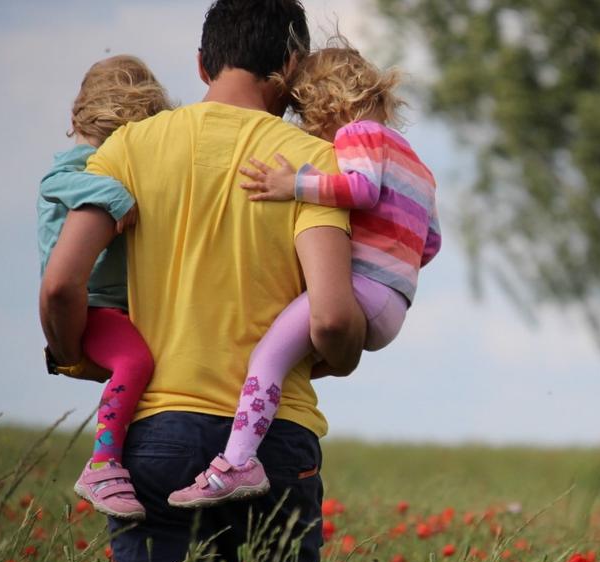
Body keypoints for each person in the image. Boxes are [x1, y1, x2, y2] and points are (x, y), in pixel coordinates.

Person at [39, 0, 365, 562]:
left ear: (200, 65)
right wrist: (339, 357)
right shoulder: (312, 163)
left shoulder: (127, 150)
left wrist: (71, 355)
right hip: (275, 440)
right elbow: (334, 317)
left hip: (157, 435)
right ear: (291, 65)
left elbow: (61, 284)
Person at [168, 42, 441, 507]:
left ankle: (237, 463)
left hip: (361, 289)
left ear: (326, 103)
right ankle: (251, 441)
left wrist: (291, 184)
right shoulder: (418, 164)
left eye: (304, 112)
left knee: (266, 359)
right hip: (395, 303)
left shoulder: (358, 135)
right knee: (290, 360)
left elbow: (360, 189)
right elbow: (430, 243)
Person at [38, 55, 171, 520]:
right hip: (92, 306)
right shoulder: (79, 166)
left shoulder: (105, 161)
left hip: (116, 306)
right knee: (135, 361)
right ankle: (103, 463)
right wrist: (115, 195)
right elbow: (56, 182)